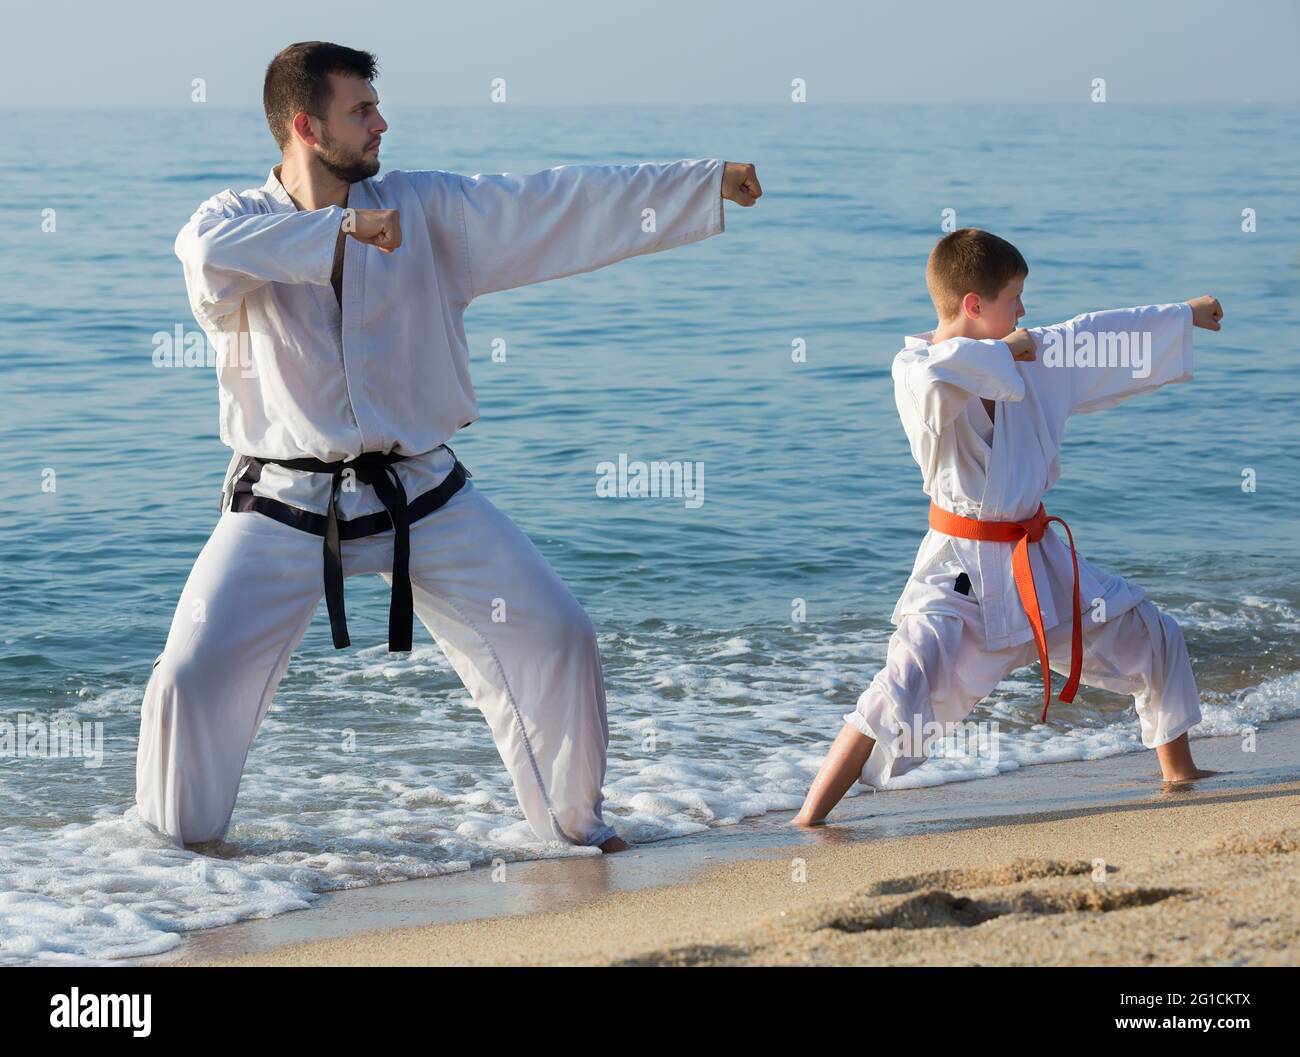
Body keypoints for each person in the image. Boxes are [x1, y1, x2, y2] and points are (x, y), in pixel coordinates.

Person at [134, 40, 763, 853]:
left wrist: (700, 182)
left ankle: (575, 834)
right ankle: (174, 862)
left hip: (423, 495)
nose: (381, 123)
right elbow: (206, 259)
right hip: (281, 506)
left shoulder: (426, 212)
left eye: (376, 106)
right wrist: (339, 233)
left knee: (559, 636)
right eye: (361, 110)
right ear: (305, 126)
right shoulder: (233, 222)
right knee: (188, 679)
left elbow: (557, 205)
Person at [793, 227, 1221, 826]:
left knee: (1154, 636)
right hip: (959, 571)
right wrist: (1005, 353)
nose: (1023, 310)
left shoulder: (1031, 352)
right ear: (974, 305)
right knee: (900, 688)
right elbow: (940, 374)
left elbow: (1094, 334)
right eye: (1014, 296)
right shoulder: (916, 370)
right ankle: (808, 820)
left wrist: (1183, 316)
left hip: (1039, 560)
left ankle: (1180, 772)